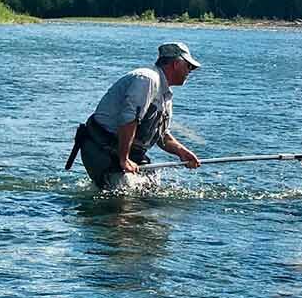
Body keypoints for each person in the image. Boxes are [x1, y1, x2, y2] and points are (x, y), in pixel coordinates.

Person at [66, 42, 203, 189]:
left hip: (125, 152)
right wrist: (124, 159)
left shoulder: (165, 93)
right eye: (189, 66)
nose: (190, 71)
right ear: (176, 64)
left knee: (149, 191)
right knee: (127, 199)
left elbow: (161, 136)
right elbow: (129, 120)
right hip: (101, 147)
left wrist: (181, 152)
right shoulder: (147, 80)